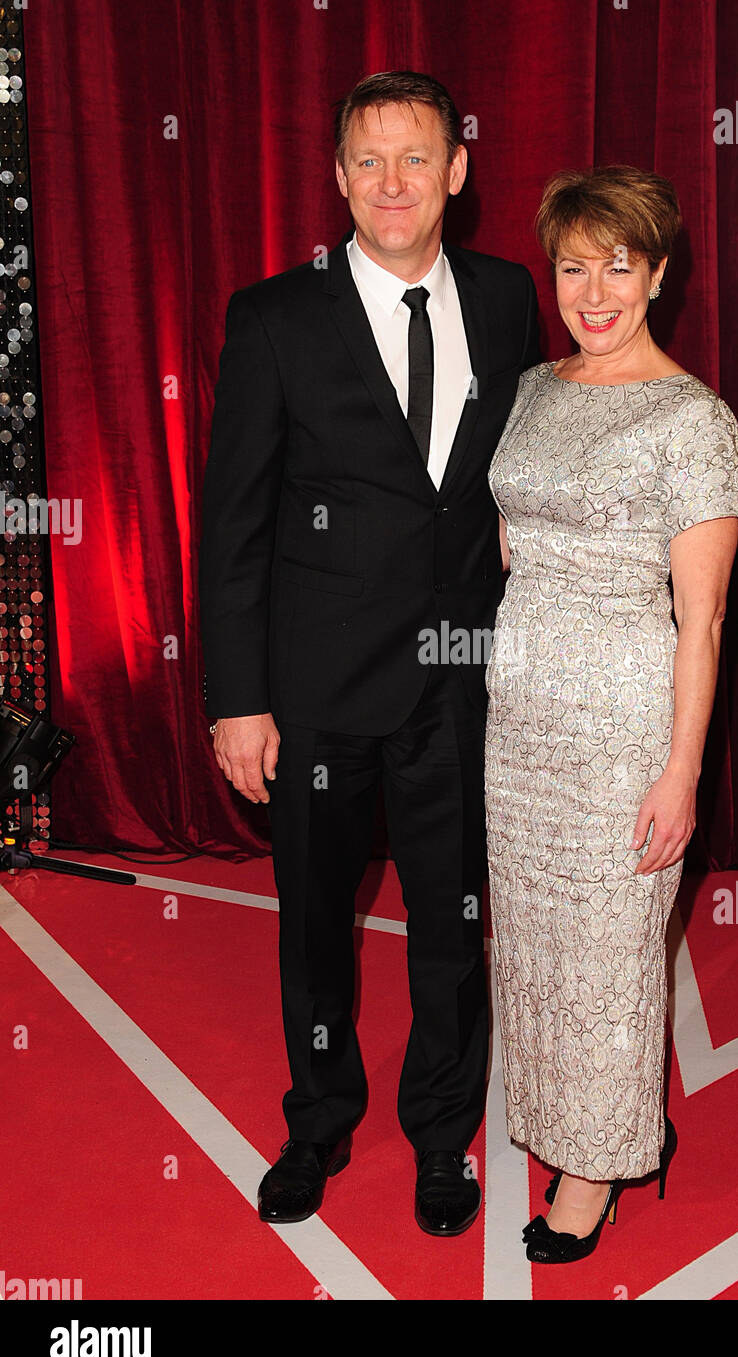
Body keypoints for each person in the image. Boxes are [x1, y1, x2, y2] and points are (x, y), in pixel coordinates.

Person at [198, 70, 540, 1236]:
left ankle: (441, 1137)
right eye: (366, 161)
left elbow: (509, 486)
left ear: (456, 169)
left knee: (452, 926)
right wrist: (237, 700)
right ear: (339, 176)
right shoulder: (273, 316)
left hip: (459, 687)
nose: (391, 183)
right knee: (314, 923)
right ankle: (318, 1120)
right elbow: (233, 523)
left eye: (415, 158)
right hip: (318, 692)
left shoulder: (506, 300)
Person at [483, 166, 738, 1263]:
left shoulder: (693, 421)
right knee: (538, 943)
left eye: (617, 267)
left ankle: (596, 1168)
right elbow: (510, 537)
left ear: (658, 275)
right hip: (521, 714)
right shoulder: (538, 387)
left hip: (623, 721)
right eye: (573, 267)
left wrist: (679, 771)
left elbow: (705, 621)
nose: (592, 292)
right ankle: (562, 1118)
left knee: (607, 948)